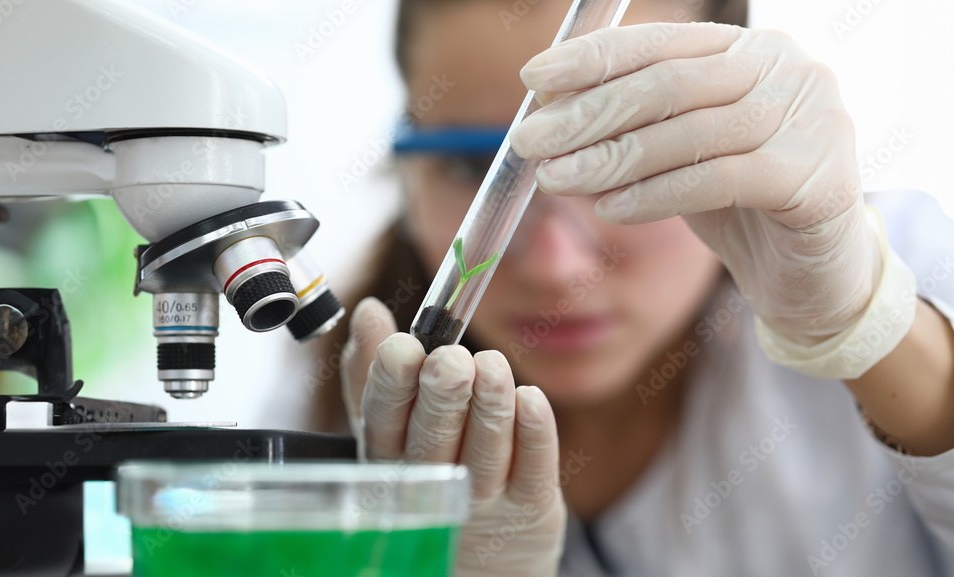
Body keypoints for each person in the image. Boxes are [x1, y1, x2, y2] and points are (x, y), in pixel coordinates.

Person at [313, 0, 954, 574]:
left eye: (632, 147)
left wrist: (870, 327)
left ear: (735, 131)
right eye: (473, 168)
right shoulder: (327, 393)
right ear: (401, 173)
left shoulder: (903, 261)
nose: (557, 267)